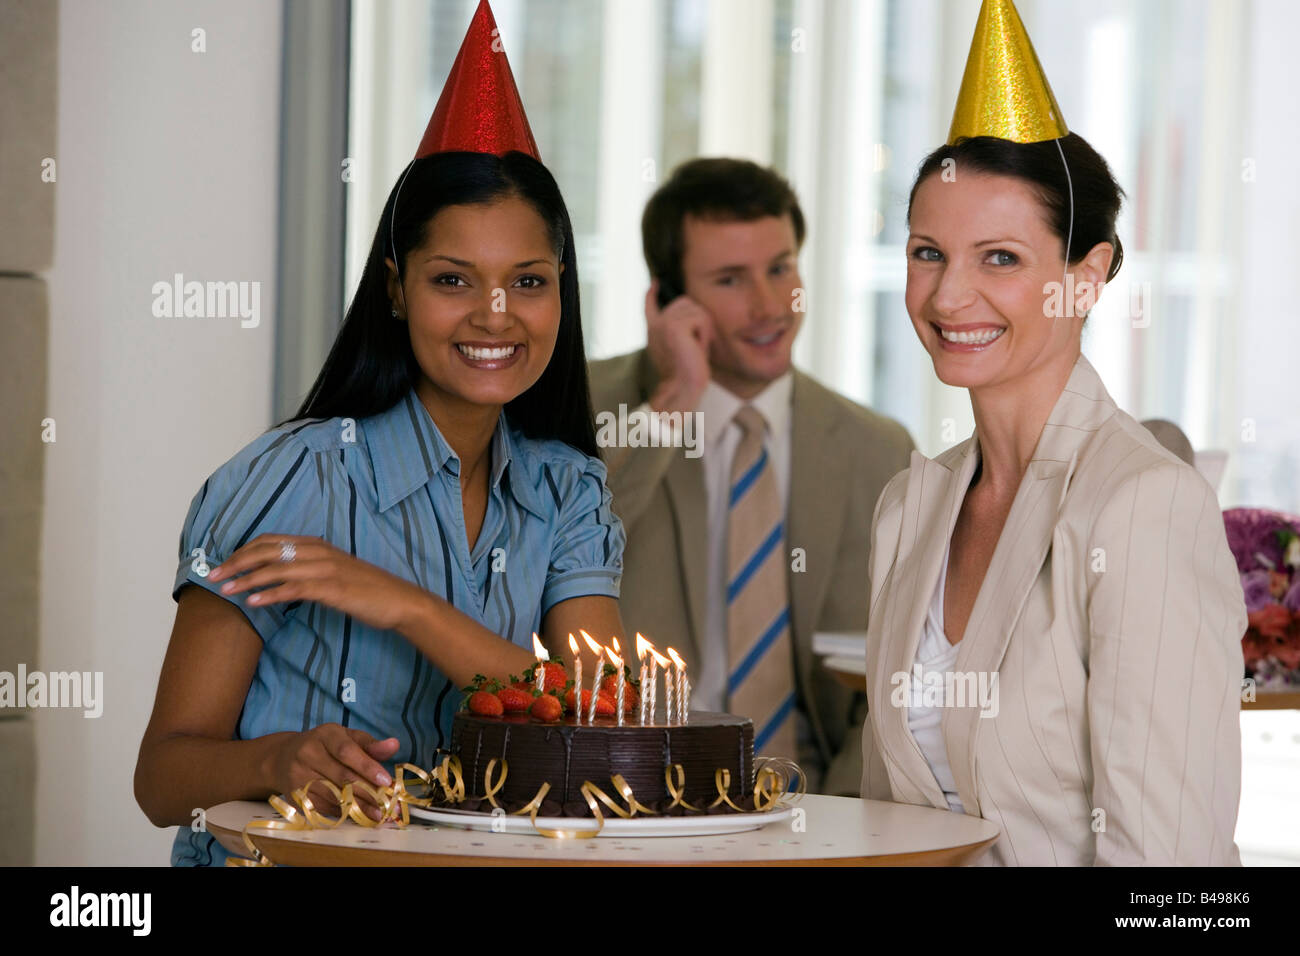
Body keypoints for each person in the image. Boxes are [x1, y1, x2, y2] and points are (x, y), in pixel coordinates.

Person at [134, 0, 624, 866]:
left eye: (529, 280)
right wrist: (275, 760)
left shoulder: (566, 490)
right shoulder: (290, 481)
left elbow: (595, 721)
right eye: (453, 279)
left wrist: (404, 604)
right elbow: (163, 777)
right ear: (396, 290)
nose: (495, 315)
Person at [860, 0, 1246, 865]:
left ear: (1089, 273)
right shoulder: (908, 506)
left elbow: (1171, 878)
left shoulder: (1144, 506)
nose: (948, 297)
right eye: (929, 252)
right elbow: (886, 826)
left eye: (1000, 258)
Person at [588, 158, 914, 795]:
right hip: (631, 794)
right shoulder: (589, 408)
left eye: (780, 268)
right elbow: (560, 559)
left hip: (818, 804)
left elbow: (898, 685)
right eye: (731, 279)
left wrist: (840, 823)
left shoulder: (879, 450)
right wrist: (675, 400)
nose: (769, 305)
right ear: (666, 299)